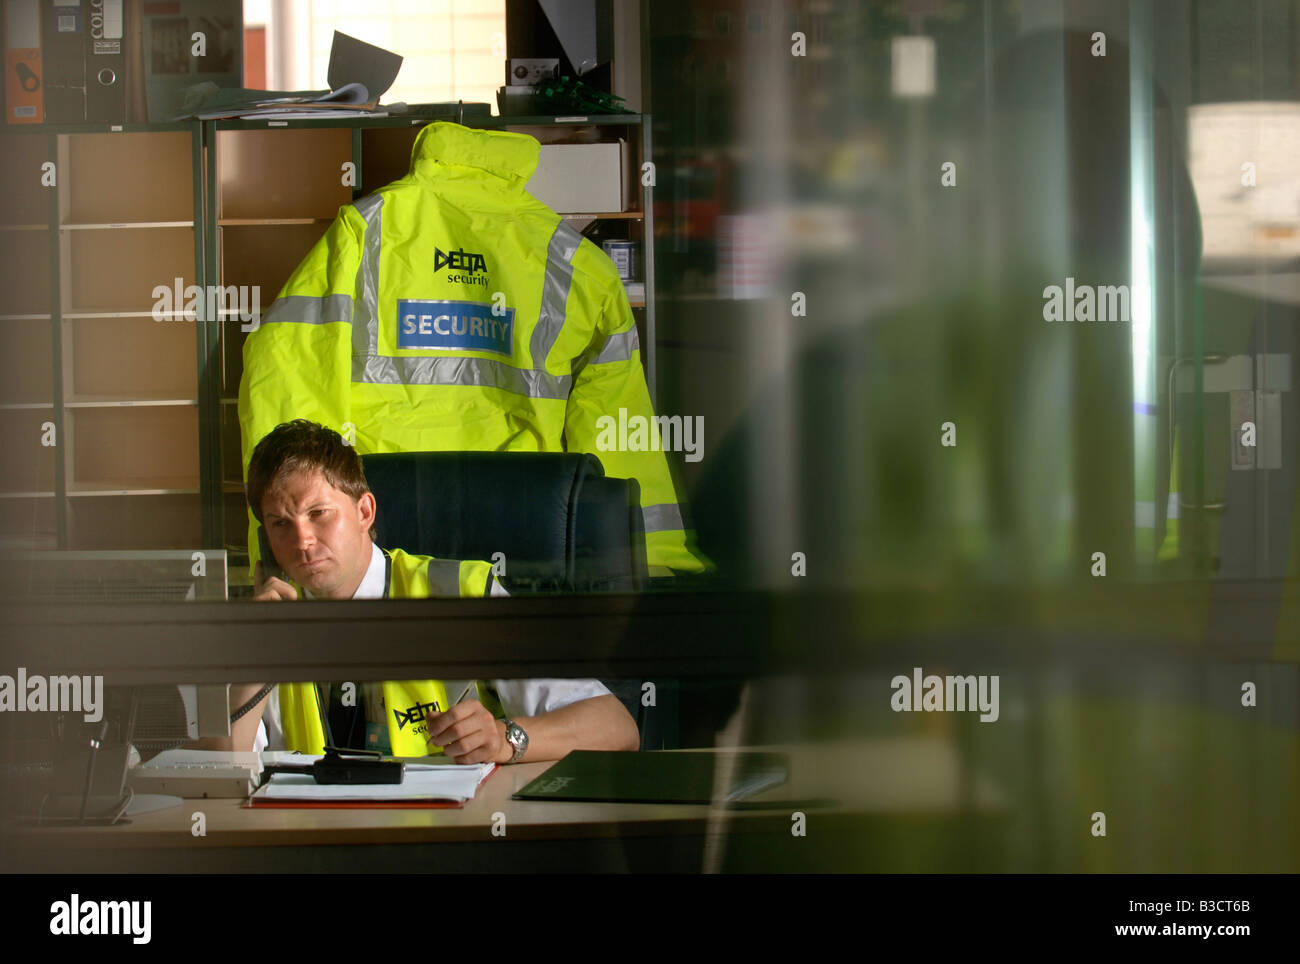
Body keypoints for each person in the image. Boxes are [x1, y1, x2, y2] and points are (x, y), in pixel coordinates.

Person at [238, 120, 710, 580]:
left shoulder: (364, 232)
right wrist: (652, 562)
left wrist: (291, 547)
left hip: (384, 531)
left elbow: (284, 372)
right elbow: (617, 424)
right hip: (528, 534)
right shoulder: (577, 263)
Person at [214, 419, 639, 764]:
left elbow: (615, 726)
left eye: (318, 513)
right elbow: (218, 781)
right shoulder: (269, 624)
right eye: (280, 523)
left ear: (364, 511)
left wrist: (504, 739)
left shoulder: (462, 596)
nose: (302, 540)